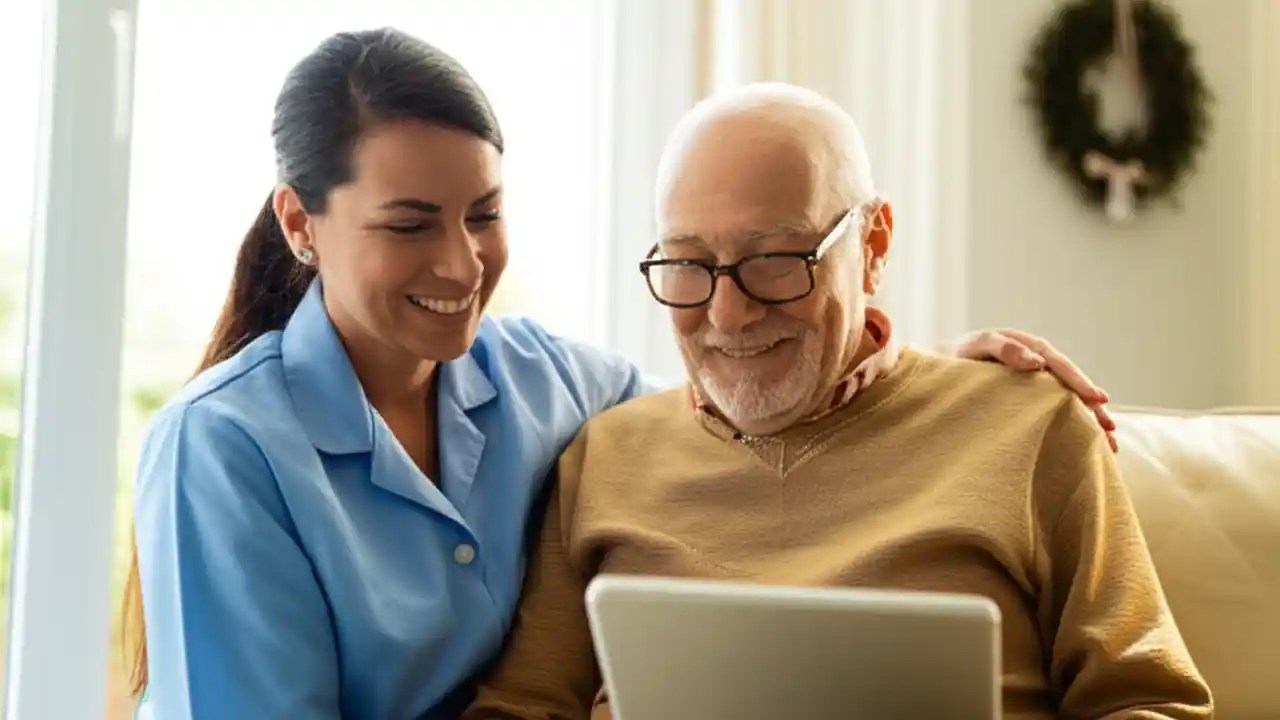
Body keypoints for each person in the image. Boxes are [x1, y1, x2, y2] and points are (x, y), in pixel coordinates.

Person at [123, 30, 1117, 720]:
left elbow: (751, 390)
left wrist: (922, 377)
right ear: (300, 223)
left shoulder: (553, 385)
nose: (462, 265)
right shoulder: (225, 446)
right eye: (410, 224)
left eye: (483, 214)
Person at [463, 83, 1212, 719]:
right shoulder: (604, 457)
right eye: (688, 263)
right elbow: (520, 709)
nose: (728, 314)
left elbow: (1149, 701)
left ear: (873, 245)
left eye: (773, 259)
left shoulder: (1029, 427)